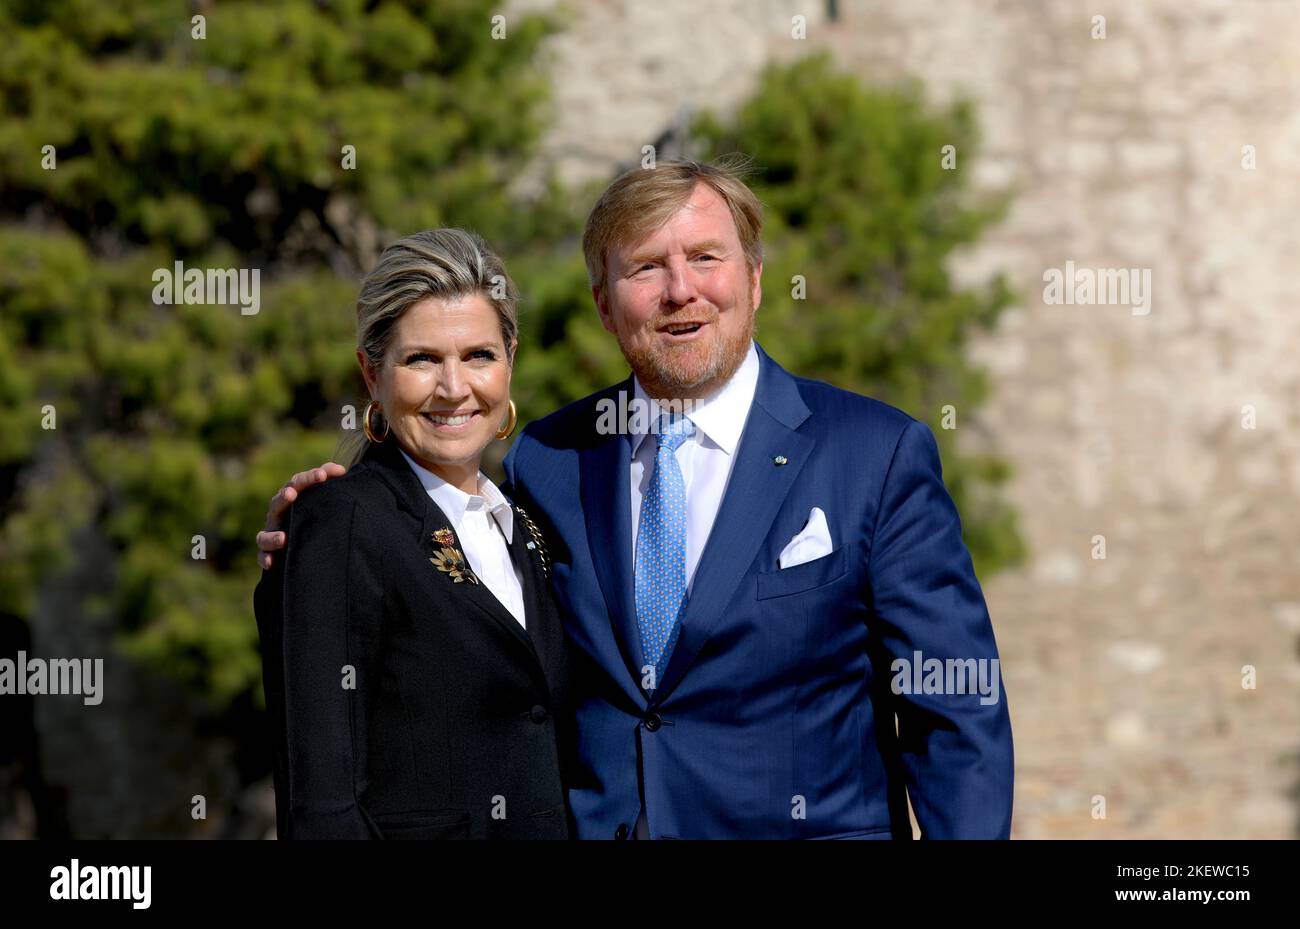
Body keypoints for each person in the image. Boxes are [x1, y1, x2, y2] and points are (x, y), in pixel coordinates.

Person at [260, 158, 1013, 839]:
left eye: (705, 258)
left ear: (753, 279)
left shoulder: (873, 454)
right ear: (602, 302)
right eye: (646, 267)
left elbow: (956, 714)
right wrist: (309, 552)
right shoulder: (548, 463)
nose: (680, 289)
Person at [254, 228, 571, 839]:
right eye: (422, 359)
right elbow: (324, 807)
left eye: (479, 355)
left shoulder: (525, 526)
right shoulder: (340, 519)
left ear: (510, 362)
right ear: (371, 375)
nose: (454, 389)